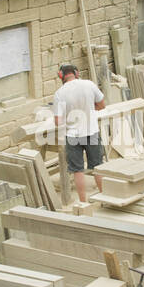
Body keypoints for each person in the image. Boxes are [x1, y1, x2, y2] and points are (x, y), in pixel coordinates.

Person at [51, 63, 105, 201]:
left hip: (72, 135)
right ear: (76, 73)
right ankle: (104, 198)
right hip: (91, 131)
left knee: (78, 170)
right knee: (98, 167)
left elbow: (58, 121)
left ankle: (83, 202)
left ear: (61, 76)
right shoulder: (89, 84)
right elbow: (101, 105)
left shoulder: (59, 93)